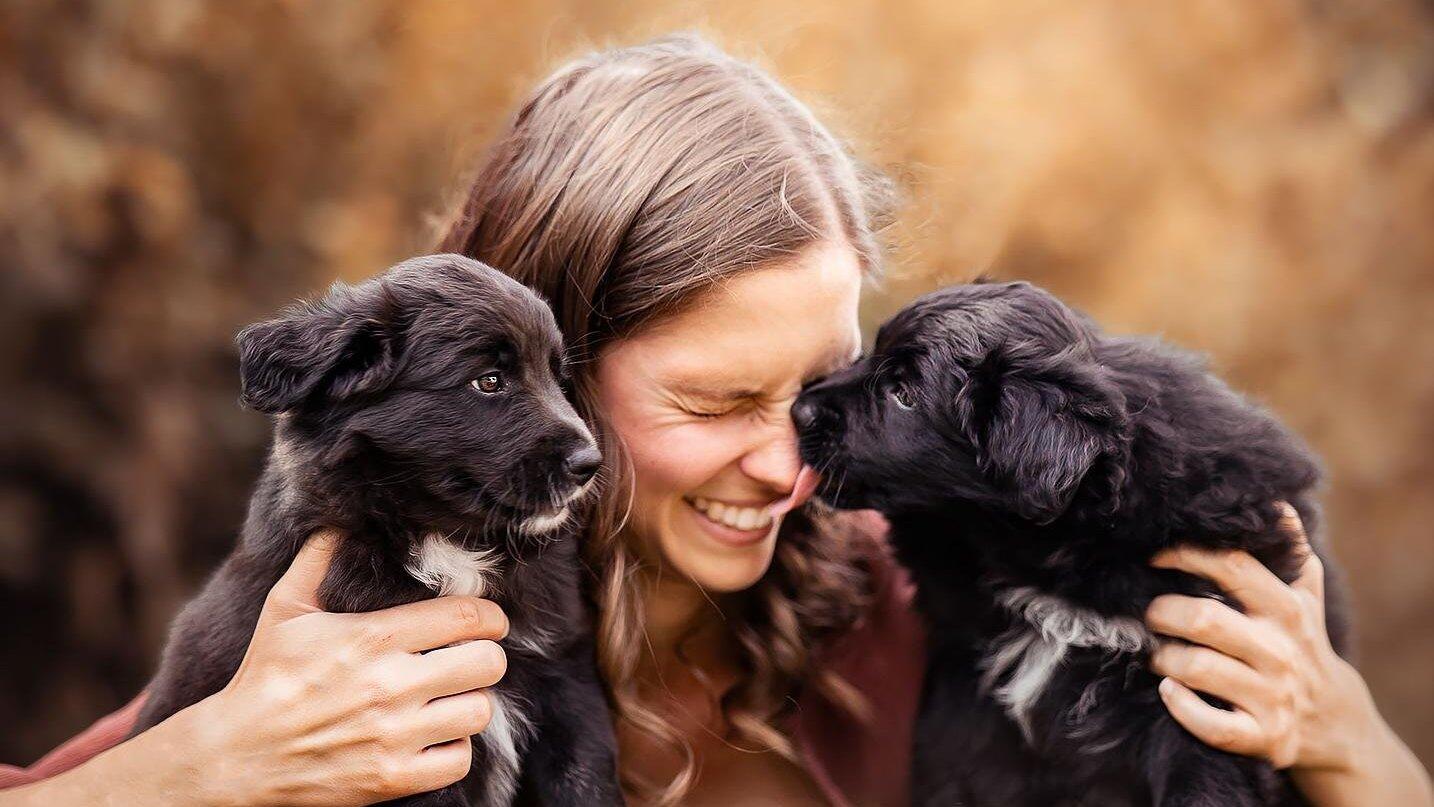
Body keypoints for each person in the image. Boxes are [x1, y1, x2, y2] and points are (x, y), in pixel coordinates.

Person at [2, 34, 1428, 807]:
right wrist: (191, 775)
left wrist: (1349, 747)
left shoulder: (917, 598)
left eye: (816, 390)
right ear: (547, 360)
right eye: (713, 401)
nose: (793, 460)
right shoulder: (360, 636)